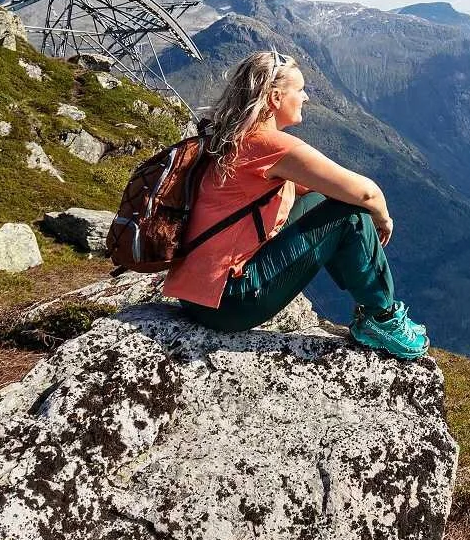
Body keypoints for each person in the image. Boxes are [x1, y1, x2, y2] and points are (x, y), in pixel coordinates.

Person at [164, 49, 429, 359]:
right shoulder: (270, 145)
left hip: (197, 295)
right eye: (300, 90)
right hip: (229, 304)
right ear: (276, 98)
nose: (306, 98)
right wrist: (383, 219)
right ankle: (381, 318)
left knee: (326, 201)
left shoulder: (232, 137)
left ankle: (372, 309)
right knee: (350, 215)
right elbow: (366, 194)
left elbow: (318, 189)